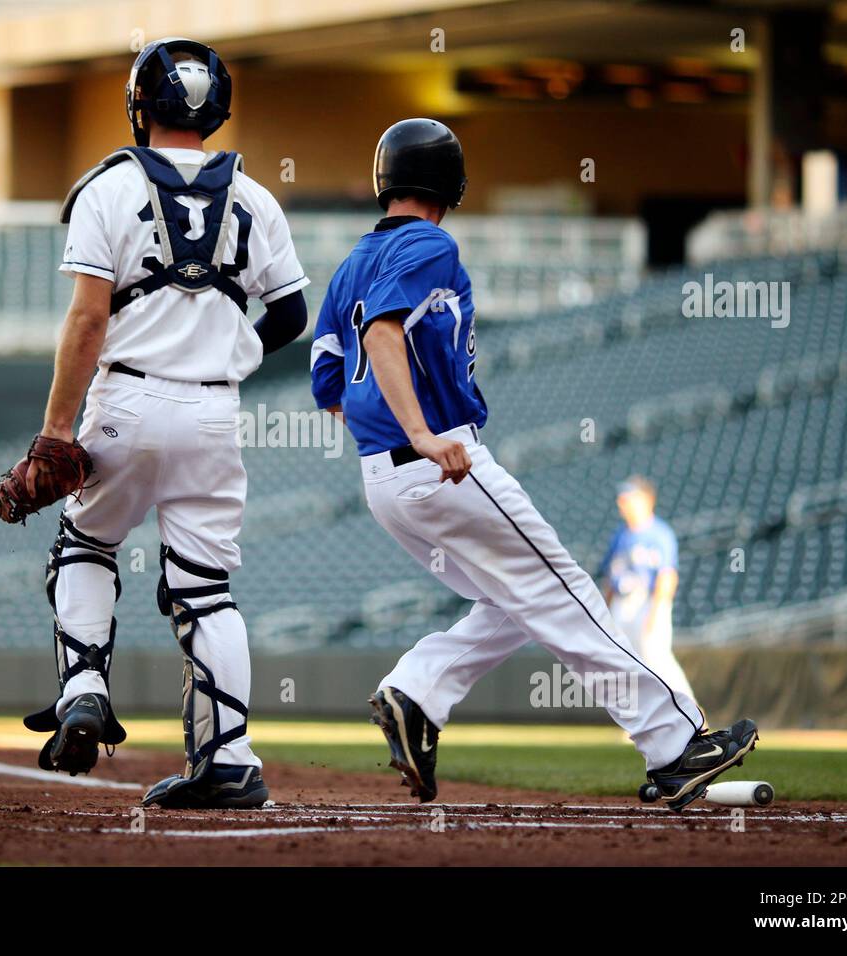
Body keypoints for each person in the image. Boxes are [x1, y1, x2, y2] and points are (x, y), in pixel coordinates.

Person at [309, 118, 756, 811]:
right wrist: (423, 434)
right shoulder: (429, 240)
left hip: (384, 480)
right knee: (566, 593)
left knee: (515, 600)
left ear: (385, 179)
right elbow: (383, 332)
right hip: (442, 461)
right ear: (448, 184)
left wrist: (393, 446)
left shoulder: (345, 268)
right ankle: (674, 744)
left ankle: (417, 693)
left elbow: (330, 390)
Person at [17, 36, 308, 809]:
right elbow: (292, 313)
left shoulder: (104, 190)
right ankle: (231, 760)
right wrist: (233, 357)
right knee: (206, 588)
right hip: (214, 411)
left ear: (139, 104)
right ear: (217, 107)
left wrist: (55, 429)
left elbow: (85, 322)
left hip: (129, 402)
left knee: (85, 542)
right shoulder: (257, 197)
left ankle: (84, 687)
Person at [599, 476, 696, 702]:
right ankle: (641, 721)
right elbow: (610, 578)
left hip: (648, 602)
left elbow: (667, 576)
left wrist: (657, 611)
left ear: (647, 500)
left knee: (657, 658)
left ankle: (691, 711)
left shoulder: (659, 534)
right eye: (623, 498)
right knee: (627, 665)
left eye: (630, 497)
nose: (623, 503)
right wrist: (605, 610)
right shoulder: (620, 536)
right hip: (622, 604)